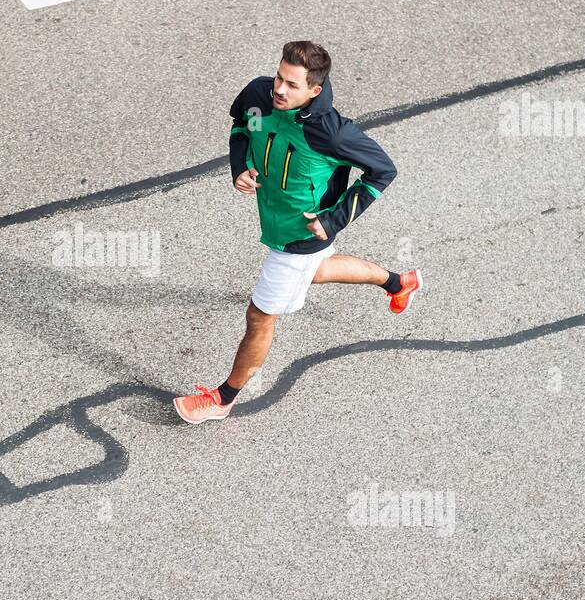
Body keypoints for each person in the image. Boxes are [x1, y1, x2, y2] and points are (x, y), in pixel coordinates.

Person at [174, 40, 424, 425]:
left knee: (260, 315)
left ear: (314, 91)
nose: (279, 89)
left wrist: (334, 219)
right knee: (317, 272)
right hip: (277, 221)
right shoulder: (259, 95)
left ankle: (223, 399)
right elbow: (242, 126)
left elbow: (382, 172)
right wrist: (239, 166)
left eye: (292, 85)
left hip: (300, 238)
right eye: (279, 77)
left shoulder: (333, 134)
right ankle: (397, 282)